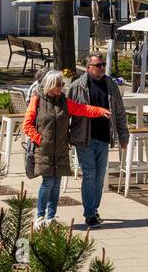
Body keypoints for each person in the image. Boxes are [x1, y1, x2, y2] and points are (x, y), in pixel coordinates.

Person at [22, 69, 111, 228]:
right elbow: (27, 126)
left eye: (62, 84)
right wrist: (40, 140)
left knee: (56, 184)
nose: (61, 87)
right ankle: (40, 217)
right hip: (44, 151)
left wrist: (100, 111)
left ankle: (51, 217)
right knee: (48, 182)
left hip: (61, 150)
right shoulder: (38, 101)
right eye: (58, 84)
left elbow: (83, 109)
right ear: (49, 85)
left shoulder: (65, 102)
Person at [68, 52, 130, 227]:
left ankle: (93, 209)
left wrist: (123, 135)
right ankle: (89, 214)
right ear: (89, 68)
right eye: (99, 65)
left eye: (103, 65)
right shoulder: (77, 87)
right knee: (89, 174)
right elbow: (67, 111)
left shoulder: (110, 85)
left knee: (99, 177)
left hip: (103, 138)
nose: (102, 68)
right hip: (83, 137)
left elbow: (119, 112)